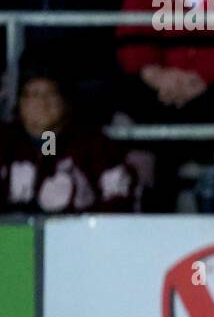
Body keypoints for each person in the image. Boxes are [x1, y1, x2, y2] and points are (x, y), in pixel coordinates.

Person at [0, 68, 138, 215]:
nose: (42, 102)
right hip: (11, 233)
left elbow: (119, 196)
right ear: (20, 103)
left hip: (75, 232)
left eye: (50, 94)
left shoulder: (92, 142)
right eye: (34, 95)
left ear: (64, 102)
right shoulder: (6, 141)